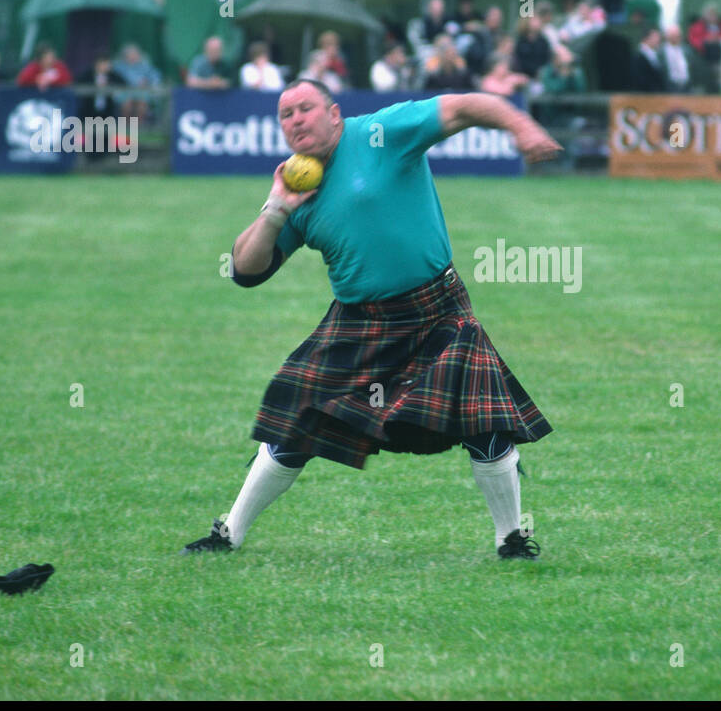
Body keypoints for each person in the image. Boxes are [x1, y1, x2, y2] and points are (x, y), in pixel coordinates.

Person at [182, 81, 562, 559]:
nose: (296, 119)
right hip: (360, 321)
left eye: (306, 108)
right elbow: (245, 270)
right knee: (296, 416)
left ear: (335, 114)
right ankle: (228, 534)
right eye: (285, 114)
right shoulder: (298, 189)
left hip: (436, 309)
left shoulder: (384, 131)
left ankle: (512, 539)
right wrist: (276, 209)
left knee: (482, 420)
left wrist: (523, 129)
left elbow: (467, 106)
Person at [112, 43, 161, 121]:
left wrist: (148, 83)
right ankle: (127, 128)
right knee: (127, 104)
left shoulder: (145, 66)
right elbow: (113, 79)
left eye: (135, 55)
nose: (132, 57)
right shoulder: (118, 66)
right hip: (124, 92)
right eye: (130, 55)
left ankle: (138, 128)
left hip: (141, 92)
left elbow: (156, 77)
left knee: (142, 104)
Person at [512, 16, 551, 80]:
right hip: (523, 76)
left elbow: (547, 59)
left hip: (541, 76)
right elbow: (518, 60)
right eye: (534, 21)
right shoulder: (521, 41)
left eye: (538, 20)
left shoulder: (543, 41)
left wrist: (542, 72)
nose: (537, 23)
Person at [632, 26, 667, 92]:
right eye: (655, 37)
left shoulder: (654, 55)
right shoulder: (638, 57)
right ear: (646, 38)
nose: (658, 40)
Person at [662, 25, 693, 93]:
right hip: (668, 88)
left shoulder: (687, 50)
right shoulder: (661, 52)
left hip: (687, 88)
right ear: (667, 36)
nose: (675, 37)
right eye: (672, 35)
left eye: (677, 35)